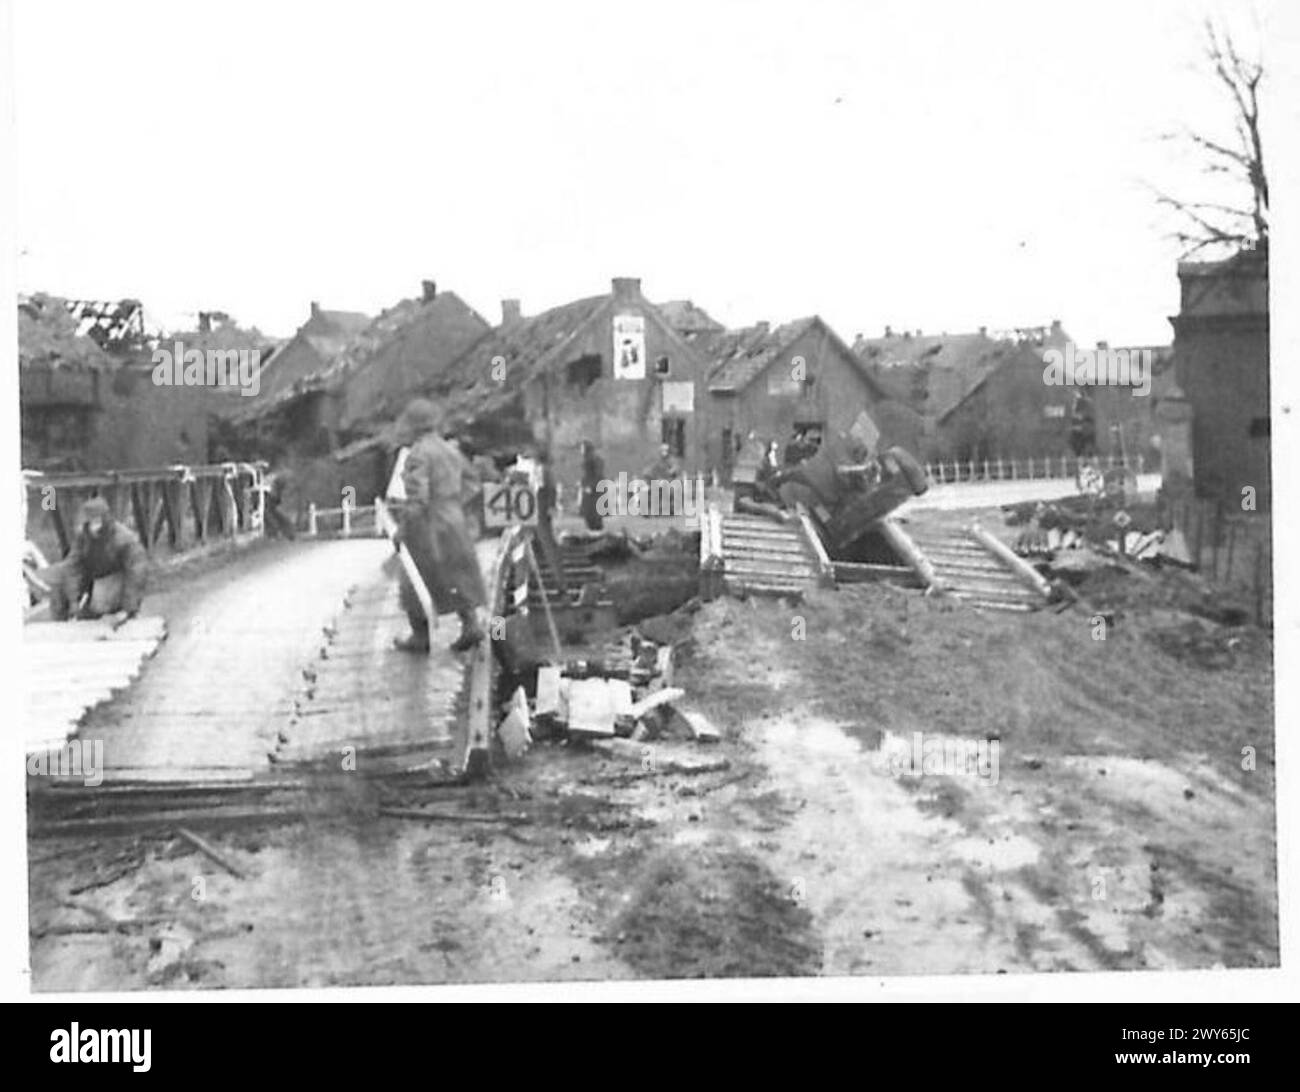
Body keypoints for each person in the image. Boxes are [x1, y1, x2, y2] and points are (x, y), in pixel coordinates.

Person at [391, 399, 488, 654]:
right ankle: (470, 625)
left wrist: (403, 528)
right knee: (458, 573)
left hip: (429, 524)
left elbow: (418, 497)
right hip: (454, 518)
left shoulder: (418, 454)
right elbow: (473, 483)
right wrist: (455, 505)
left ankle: (419, 636)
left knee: (413, 579)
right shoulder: (450, 450)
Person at [46, 497, 148, 624]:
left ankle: (118, 612)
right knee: (59, 573)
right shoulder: (83, 536)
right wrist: (74, 601)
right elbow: (72, 566)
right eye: (91, 522)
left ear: (106, 520)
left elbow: (136, 574)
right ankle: (62, 622)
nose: (94, 527)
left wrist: (129, 607)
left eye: (98, 521)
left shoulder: (125, 539)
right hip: (93, 579)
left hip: (116, 579)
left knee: (102, 605)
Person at [578, 439, 605, 531]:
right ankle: (593, 529)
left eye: (582, 448)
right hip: (589, 489)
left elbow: (597, 474)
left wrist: (590, 486)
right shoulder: (588, 460)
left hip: (594, 490)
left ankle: (596, 531)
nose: (581, 451)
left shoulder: (594, 460)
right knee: (589, 513)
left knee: (593, 513)